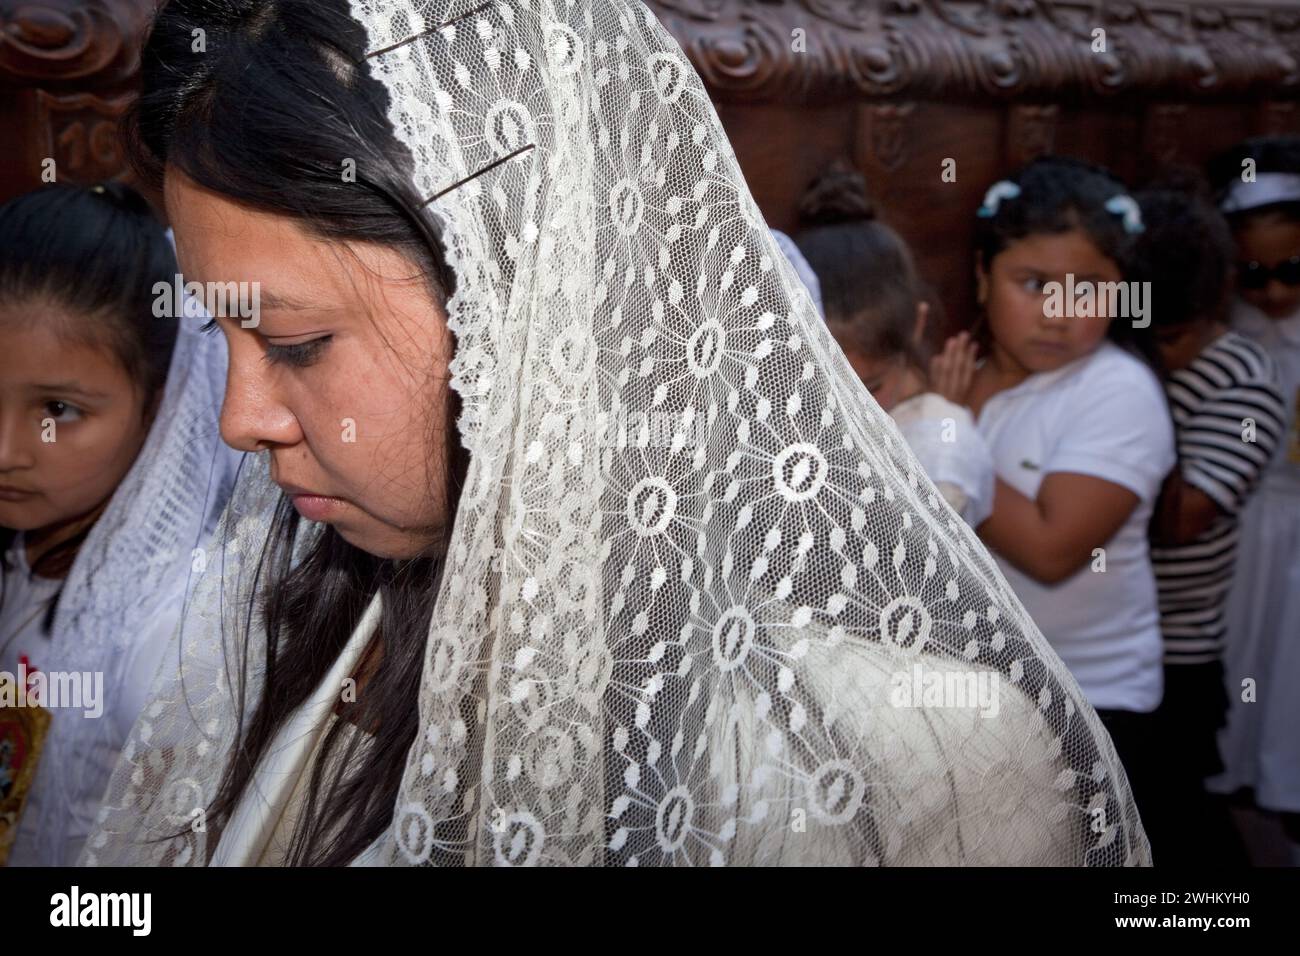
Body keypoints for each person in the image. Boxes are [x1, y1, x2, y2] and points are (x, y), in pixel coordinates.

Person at [81, 0, 1149, 867]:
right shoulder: (260, 641)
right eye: (215, 336)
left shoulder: (929, 758)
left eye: (298, 341)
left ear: (545, 310)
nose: (237, 420)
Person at [930, 158, 1176, 835]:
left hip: (1093, 705)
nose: (1059, 312)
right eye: (1033, 283)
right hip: (987, 696)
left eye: (1090, 289)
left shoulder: (1117, 392)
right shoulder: (965, 378)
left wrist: (949, 432)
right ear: (982, 277)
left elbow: (1049, 549)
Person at [0, 182, 235, 865]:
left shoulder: (171, 644)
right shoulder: (27, 550)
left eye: (59, 409)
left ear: (156, 404)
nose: (7, 451)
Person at [1132, 188, 1285, 866]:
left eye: (1171, 338)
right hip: (1111, 644)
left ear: (1221, 297)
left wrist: (1128, 410)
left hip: (1178, 655)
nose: (1160, 356)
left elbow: (1180, 522)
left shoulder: (1244, 384)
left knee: (1179, 822)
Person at [795, 164, 994, 528]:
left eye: (870, 387)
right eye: (825, 390)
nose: (850, 410)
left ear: (917, 324)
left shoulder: (937, 453)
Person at [1205, 136, 1300, 861]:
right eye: (1254, 274)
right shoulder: (1229, 336)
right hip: (1242, 528)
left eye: (1291, 271)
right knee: (1240, 647)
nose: (1272, 291)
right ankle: (1232, 772)